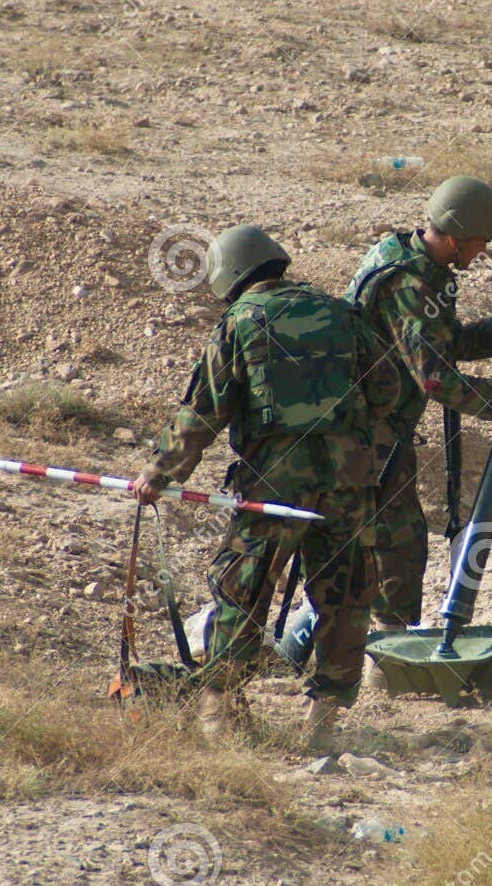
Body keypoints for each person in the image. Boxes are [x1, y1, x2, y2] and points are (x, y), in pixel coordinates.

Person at [130, 224, 399, 749]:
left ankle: (219, 713)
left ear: (229, 278)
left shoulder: (241, 322)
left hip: (274, 487)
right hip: (349, 483)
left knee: (241, 589)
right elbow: (388, 388)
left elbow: (204, 410)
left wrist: (158, 472)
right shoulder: (342, 314)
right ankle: (323, 724)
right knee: (344, 596)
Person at [345, 176, 492, 631]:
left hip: (370, 421)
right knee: (398, 541)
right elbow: (434, 378)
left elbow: (432, 343)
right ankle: (386, 651)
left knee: (375, 536)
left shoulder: (402, 253)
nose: (483, 253)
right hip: (368, 429)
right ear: (458, 238)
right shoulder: (414, 283)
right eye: (482, 244)